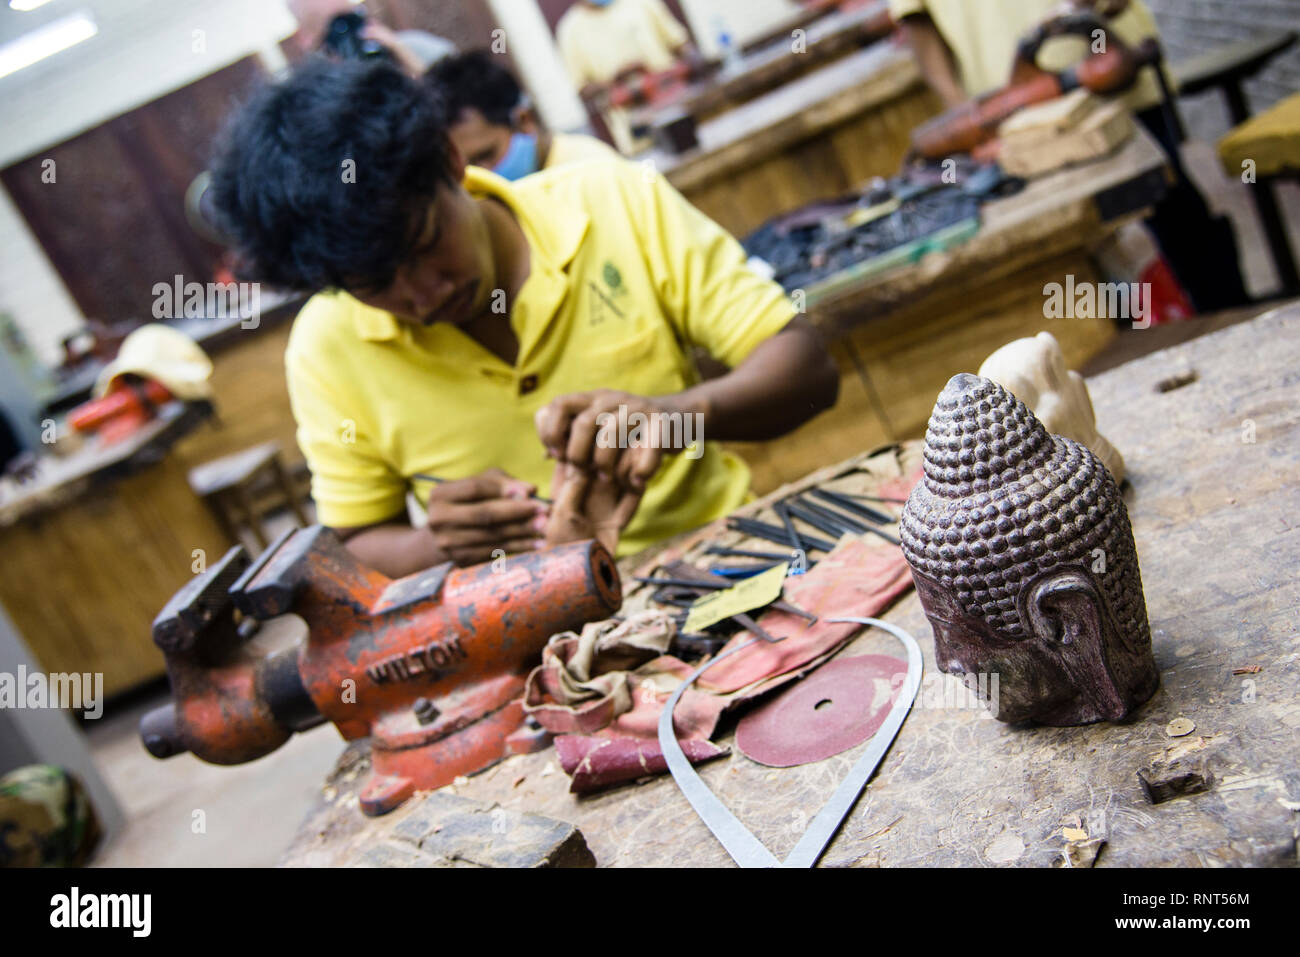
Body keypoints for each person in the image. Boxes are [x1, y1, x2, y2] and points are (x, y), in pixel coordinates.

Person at [208, 59, 839, 576]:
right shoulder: (326, 346)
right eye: (375, 285)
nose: (424, 296)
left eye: (427, 244)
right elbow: (355, 545)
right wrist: (438, 544)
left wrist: (676, 419)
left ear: (451, 162)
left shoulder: (611, 199)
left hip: (727, 560)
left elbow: (807, 369)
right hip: (522, 628)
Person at [891, 0, 1251, 312]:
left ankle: (1232, 317)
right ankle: (1141, 339)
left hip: (1113, 81)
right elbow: (918, 23)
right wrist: (967, 112)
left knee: (1175, 208)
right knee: (1066, 250)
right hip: (1014, 115)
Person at [426, 50, 618, 180]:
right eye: (471, 167)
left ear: (524, 121)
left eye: (487, 155)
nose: (485, 175)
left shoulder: (593, 173)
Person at [556, 0, 701, 152]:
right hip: (635, 130)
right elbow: (582, 88)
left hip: (680, 107)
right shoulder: (570, 31)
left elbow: (680, 42)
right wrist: (616, 83)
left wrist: (692, 64)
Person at [286, 0, 454, 76]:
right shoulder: (315, 94)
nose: (349, 37)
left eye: (352, 21)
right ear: (305, 40)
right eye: (335, 32)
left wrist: (404, 56)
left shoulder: (418, 48)